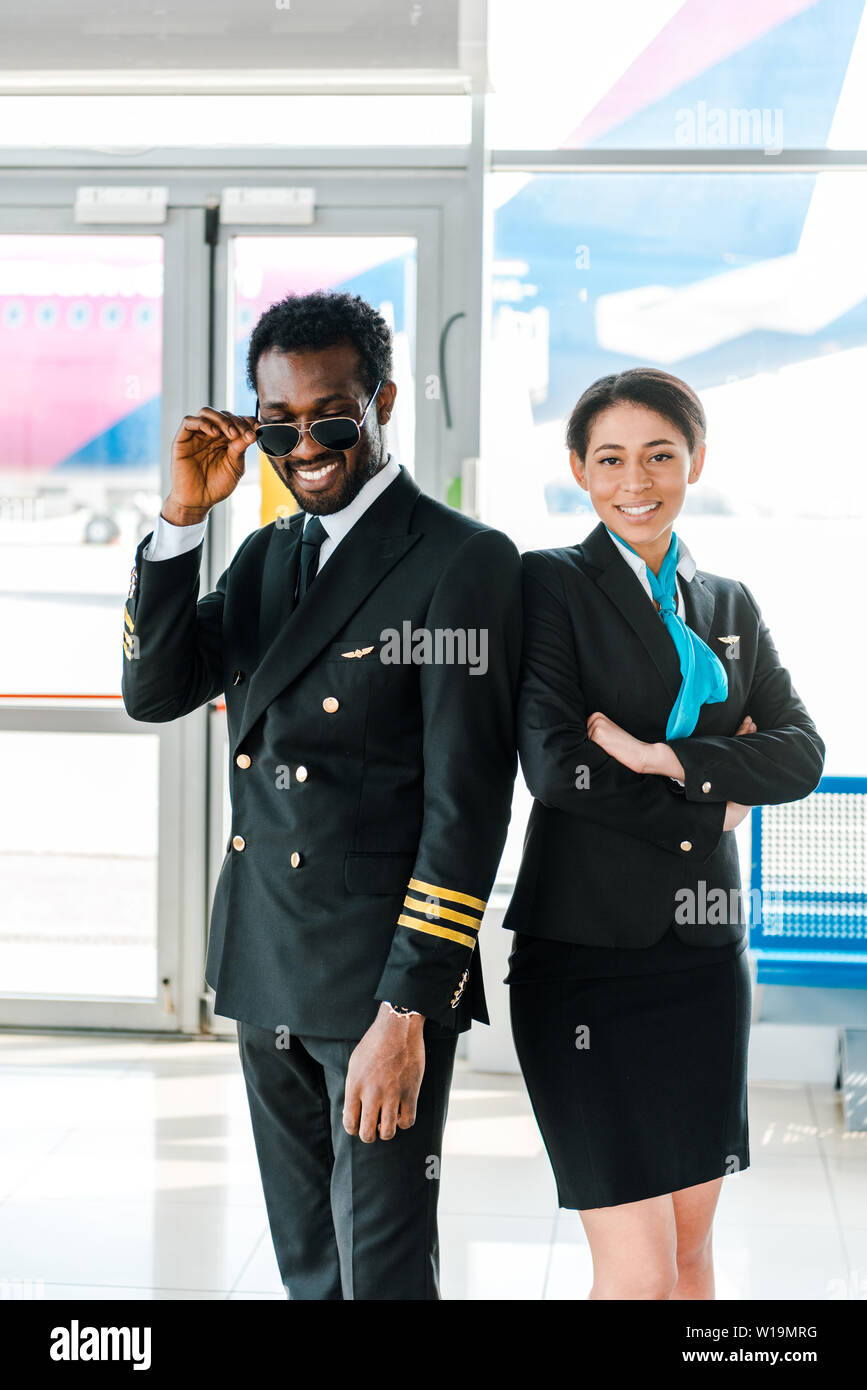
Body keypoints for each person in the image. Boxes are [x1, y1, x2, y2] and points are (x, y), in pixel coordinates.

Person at [121, 290, 521, 1300]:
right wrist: (179, 521)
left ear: (383, 401)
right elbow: (155, 689)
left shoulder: (462, 561)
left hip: (375, 987)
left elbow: (466, 808)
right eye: (280, 424)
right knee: (311, 1267)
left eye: (333, 417)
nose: (308, 446)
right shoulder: (264, 556)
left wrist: (410, 1008)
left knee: (380, 1267)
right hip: (266, 964)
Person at [505, 367, 824, 1300]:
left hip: (702, 960)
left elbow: (801, 753)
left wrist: (663, 760)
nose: (634, 480)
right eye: (609, 458)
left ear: (695, 463)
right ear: (577, 468)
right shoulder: (549, 585)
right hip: (583, 958)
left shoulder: (726, 603)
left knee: (689, 1262)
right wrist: (719, 793)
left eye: (659, 455)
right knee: (637, 1275)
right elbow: (557, 767)